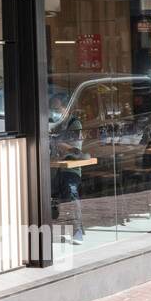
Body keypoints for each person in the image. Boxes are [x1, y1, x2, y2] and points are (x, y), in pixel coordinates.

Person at [49, 93, 85, 244]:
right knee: (50, 197)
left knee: (72, 193)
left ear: (66, 108)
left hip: (70, 168)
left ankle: (78, 229)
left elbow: (75, 149)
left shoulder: (74, 123)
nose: (55, 112)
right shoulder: (50, 123)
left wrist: (55, 141)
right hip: (53, 168)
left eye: (58, 108)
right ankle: (50, 228)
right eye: (53, 109)